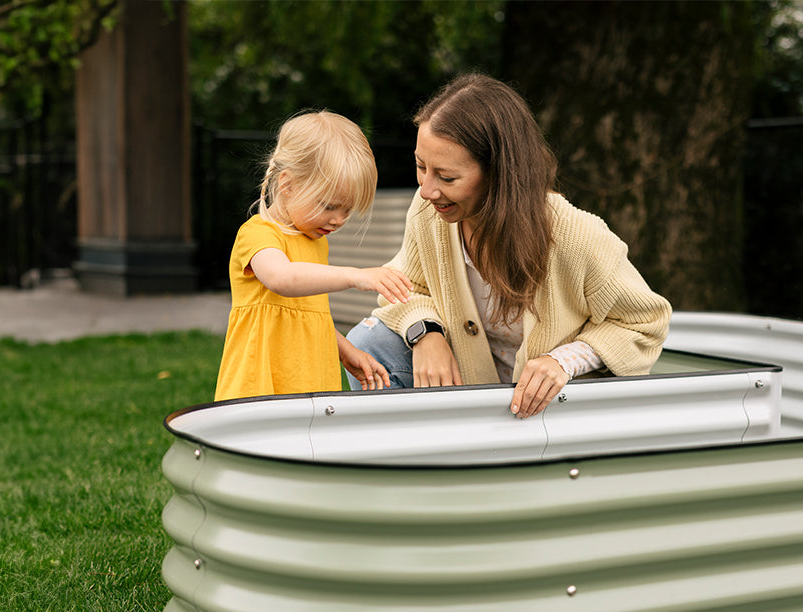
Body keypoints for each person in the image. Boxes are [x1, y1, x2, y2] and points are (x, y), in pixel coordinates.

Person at [345, 73, 672, 418]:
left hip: (550, 408)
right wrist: (425, 332)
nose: (427, 190)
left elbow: (644, 322)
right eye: (420, 166)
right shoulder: (429, 213)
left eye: (447, 177)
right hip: (469, 393)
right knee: (369, 341)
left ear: (499, 173)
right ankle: (409, 462)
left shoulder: (578, 235)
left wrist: (563, 361)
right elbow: (405, 285)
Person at [214, 111, 413, 402]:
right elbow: (282, 278)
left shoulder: (316, 243)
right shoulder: (258, 234)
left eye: (347, 210)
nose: (338, 220)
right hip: (263, 382)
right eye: (329, 206)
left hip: (308, 377)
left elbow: (308, 315)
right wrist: (356, 276)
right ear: (288, 185)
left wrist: (347, 352)